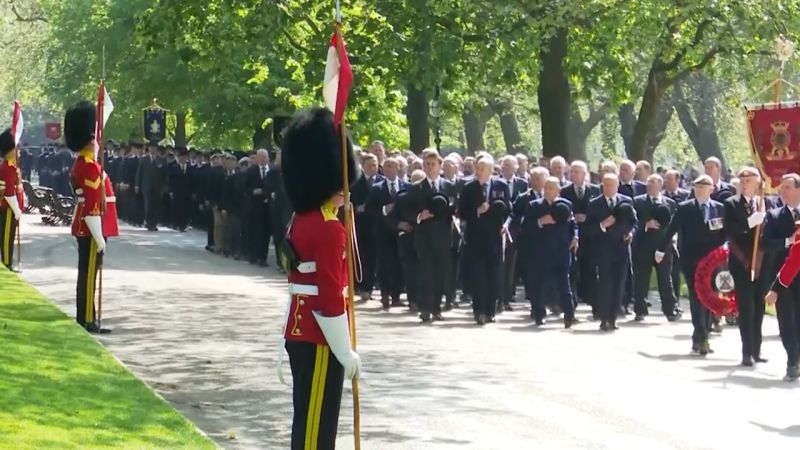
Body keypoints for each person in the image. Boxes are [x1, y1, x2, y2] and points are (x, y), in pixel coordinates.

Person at [278, 107, 362, 449]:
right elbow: (329, 297)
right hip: (320, 336)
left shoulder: (302, 218)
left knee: (310, 425)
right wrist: (345, 351)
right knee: (317, 431)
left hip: (301, 329)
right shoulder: (328, 228)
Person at [65, 100, 119, 334]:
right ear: (90, 140)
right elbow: (91, 206)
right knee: (88, 276)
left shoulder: (87, 164)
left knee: (88, 273)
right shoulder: (89, 166)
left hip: (87, 225)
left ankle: (89, 316)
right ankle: (86, 319)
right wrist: (99, 236)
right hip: (90, 227)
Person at [657, 175, 725, 355]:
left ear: (712, 189)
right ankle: (701, 335)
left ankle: (702, 336)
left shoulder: (719, 209)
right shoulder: (685, 208)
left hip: (713, 261)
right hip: (691, 260)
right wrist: (661, 249)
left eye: (705, 186)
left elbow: (725, 234)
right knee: (697, 297)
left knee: (710, 298)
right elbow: (672, 229)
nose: (701, 190)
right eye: (697, 186)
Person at [723, 167, 773, 366]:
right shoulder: (731, 204)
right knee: (746, 306)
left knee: (759, 306)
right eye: (742, 181)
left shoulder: (767, 203)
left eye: (749, 181)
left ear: (758, 183)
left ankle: (757, 350)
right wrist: (749, 223)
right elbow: (729, 231)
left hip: (763, 262)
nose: (744, 184)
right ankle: (746, 352)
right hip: (741, 261)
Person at [458, 155, 510, 324]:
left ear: (490, 170)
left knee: (493, 276)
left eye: (482, 168)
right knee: (478, 276)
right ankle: (478, 310)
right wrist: (477, 211)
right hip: (475, 238)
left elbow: (509, 210)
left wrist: (507, 224)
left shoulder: (501, 186)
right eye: (477, 168)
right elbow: (461, 212)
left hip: (494, 238)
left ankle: (490, 310)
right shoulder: (468, 187)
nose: (479, 171)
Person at [410, 148, 457, 322]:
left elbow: (454, 206)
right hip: (424, 237)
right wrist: (418, 216)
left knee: (440, 274)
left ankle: (437, 307)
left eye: (433, 164)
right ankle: (425, 308)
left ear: (440, 166)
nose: (430, 167)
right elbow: (408, 209)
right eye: (427, 164)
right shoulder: (416, 187)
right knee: (426, 273)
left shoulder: (449, 186)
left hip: (443, 236)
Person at [525, 176, 578, 327]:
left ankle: (569, 315)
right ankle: (539, 314)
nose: (548, 191)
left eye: (551, 188)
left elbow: (572, 225)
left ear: (558, 190)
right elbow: (526, 227)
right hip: (541, 251)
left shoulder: (566, 205)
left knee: (564, 284)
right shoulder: (534, 206)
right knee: (540, 285)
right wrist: (540, 222)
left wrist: (575, 237)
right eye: (546, 188)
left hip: (562, 250)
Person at [586, 173, 637, 331]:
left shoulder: (626, 201)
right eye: (606, 185)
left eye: (612, 184)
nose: (609, 187)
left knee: (619, 284)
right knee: (605, 284)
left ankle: (613, 318)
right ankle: (603, 317)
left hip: (621, 249)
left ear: (617, 186)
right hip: (604, 250)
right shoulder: (595, 204)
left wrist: (630, 233)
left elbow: (634, 222)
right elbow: (588, 229)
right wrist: (602, 225)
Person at [632, 174, 678, 321]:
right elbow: (632, 222)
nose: (650, 185)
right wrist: (645, 224)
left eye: (653, 182)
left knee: (665, 279)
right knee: (641, 279)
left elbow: (673, 224)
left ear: (660, 185)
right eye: (648, 182)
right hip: (643, 246)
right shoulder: (637, 202)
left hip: (664, 246)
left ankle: (670, 310)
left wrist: (672, 241)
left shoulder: (670, 203)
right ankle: (640, 310)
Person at [369, 157, 409, 309]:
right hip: (383, 232)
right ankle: (385, 294)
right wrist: (385, 209)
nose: (388, 169)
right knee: (385, 264)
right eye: (386, 166)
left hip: (401, 231)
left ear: (398, 167)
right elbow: (369, 209)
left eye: (392, 166)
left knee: (399, 263)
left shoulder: (406, 186)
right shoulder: (376, 188)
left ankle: (396, 296)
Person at [560, 160, 600, 309]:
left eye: (577, 172)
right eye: (572, 172)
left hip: (591, 236)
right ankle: (572, 303)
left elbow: (599, 212)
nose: (573, 174)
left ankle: (593, 301)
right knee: (572, 270)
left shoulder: (595, 190)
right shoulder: (564, 191)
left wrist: (586, 217)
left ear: (585, 174)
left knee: (591, 269)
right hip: (572, 237)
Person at [0, 129, 23, 270]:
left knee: (8, 236)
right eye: (16, 148)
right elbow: (9, 192)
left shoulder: (11, 167)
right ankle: (7, 263)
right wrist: (16, 209)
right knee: (7, 237)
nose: (18, 151)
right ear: (10, 150)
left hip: (10, 206)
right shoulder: (8, 167)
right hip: (8, 207)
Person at [244, 149, 272, 266]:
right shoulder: (251, 171)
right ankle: (253, 255)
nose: (264, 160)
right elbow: (245, 189)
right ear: (257, 159)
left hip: (268, 207)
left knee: (265, 233)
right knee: (255, 231)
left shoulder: (272, 171)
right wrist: (253, 191)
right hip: (255, 207)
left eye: (265, 157)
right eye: (261, 157)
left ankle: (263, 257)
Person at [136, 142, 165, 231]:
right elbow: (139, 173)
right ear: (148, 149)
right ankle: (148, 223)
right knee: (148, 204)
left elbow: (164, 174)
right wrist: (137, 185)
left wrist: (164, 186)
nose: (153, 149)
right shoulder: (144, 159)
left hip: (157, 186)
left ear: (156, 149)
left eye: (154, 148)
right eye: (151, 148)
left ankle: (154, 223)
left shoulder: (161, 160)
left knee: (156, 205)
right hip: (146, 186)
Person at [167, 147, 192, 232]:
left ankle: (183, 225)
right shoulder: (172, 166)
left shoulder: (190, 167)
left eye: (184, 157)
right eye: (181, 157)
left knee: (185, 208)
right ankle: (176, 223)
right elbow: (169, 180)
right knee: (176, 207)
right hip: (176, 191)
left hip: (187, 191)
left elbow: (194, 180)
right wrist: (170, 190)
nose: (183, 159)